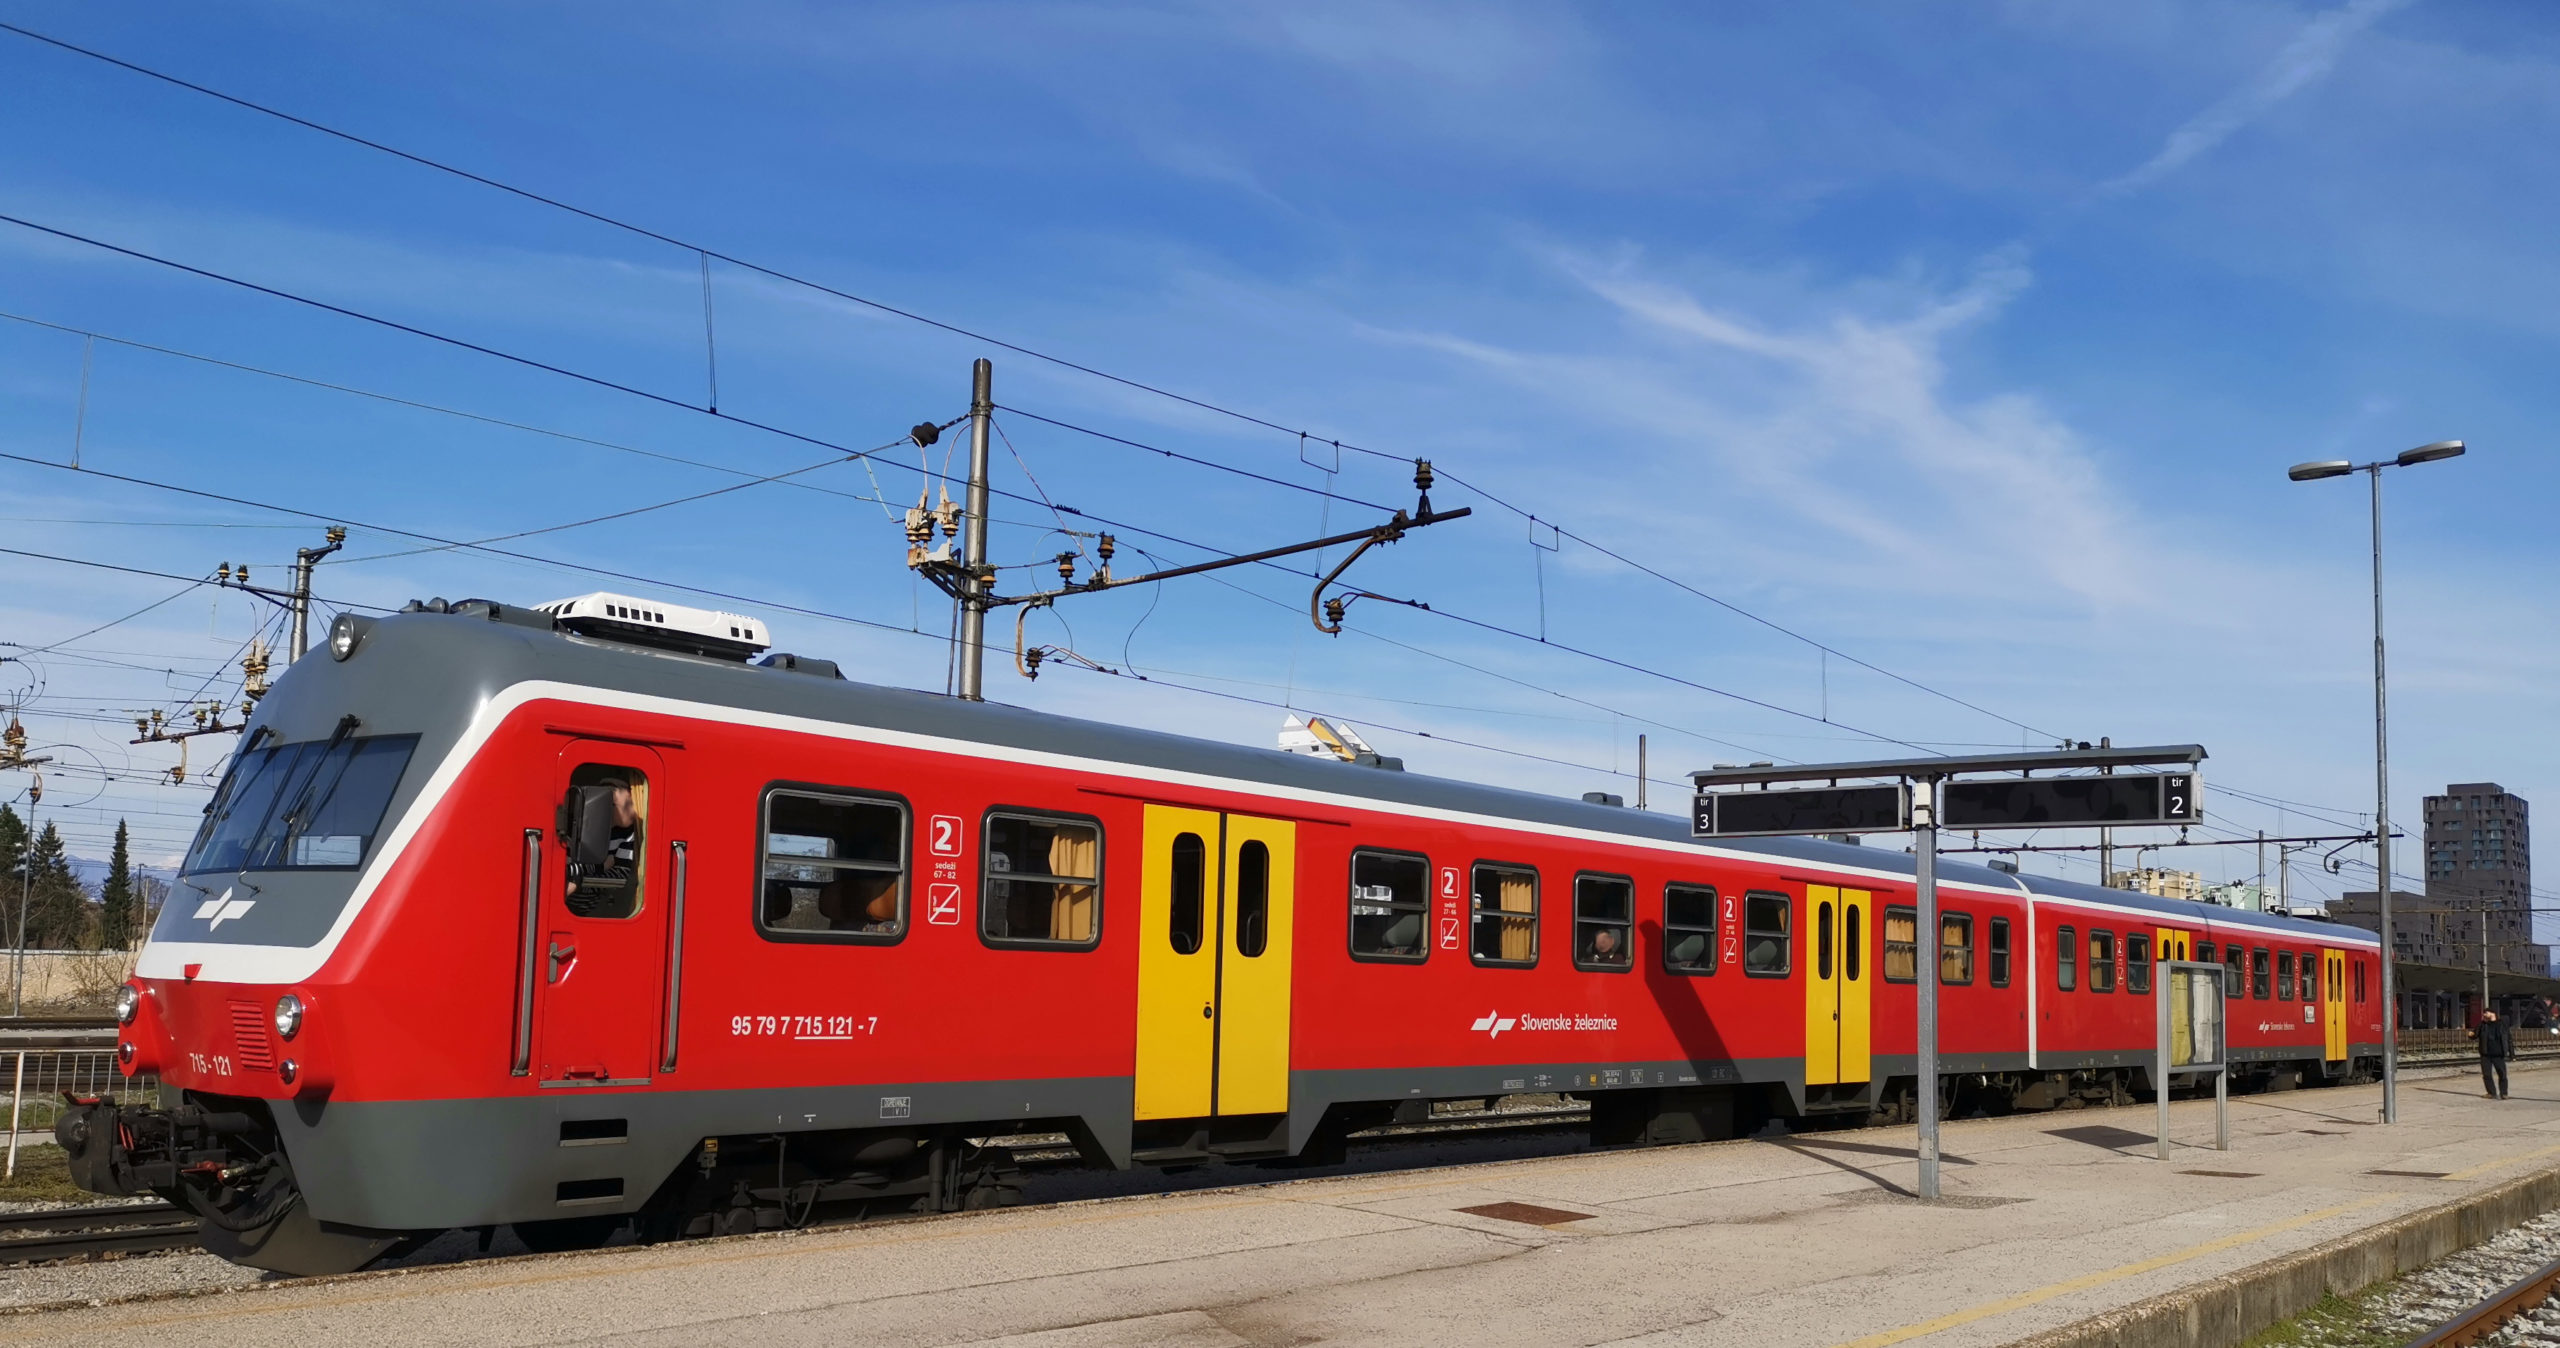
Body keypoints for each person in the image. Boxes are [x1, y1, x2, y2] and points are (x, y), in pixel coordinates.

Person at [2477, 1009, 2513, 1100]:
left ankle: (2504, 1093)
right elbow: (2474, 1035)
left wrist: (2512, 1054)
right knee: (2487, 1075)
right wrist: (2481, 1023)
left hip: (2498, 1054)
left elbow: (2509, 1039)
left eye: (2486, 1012)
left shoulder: (2502, 1025)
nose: (2484, 1014)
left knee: (2502, 1074)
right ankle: (2491, 1093)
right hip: (2486, 1054)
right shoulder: (2483, 1025)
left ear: (2493, 1013)